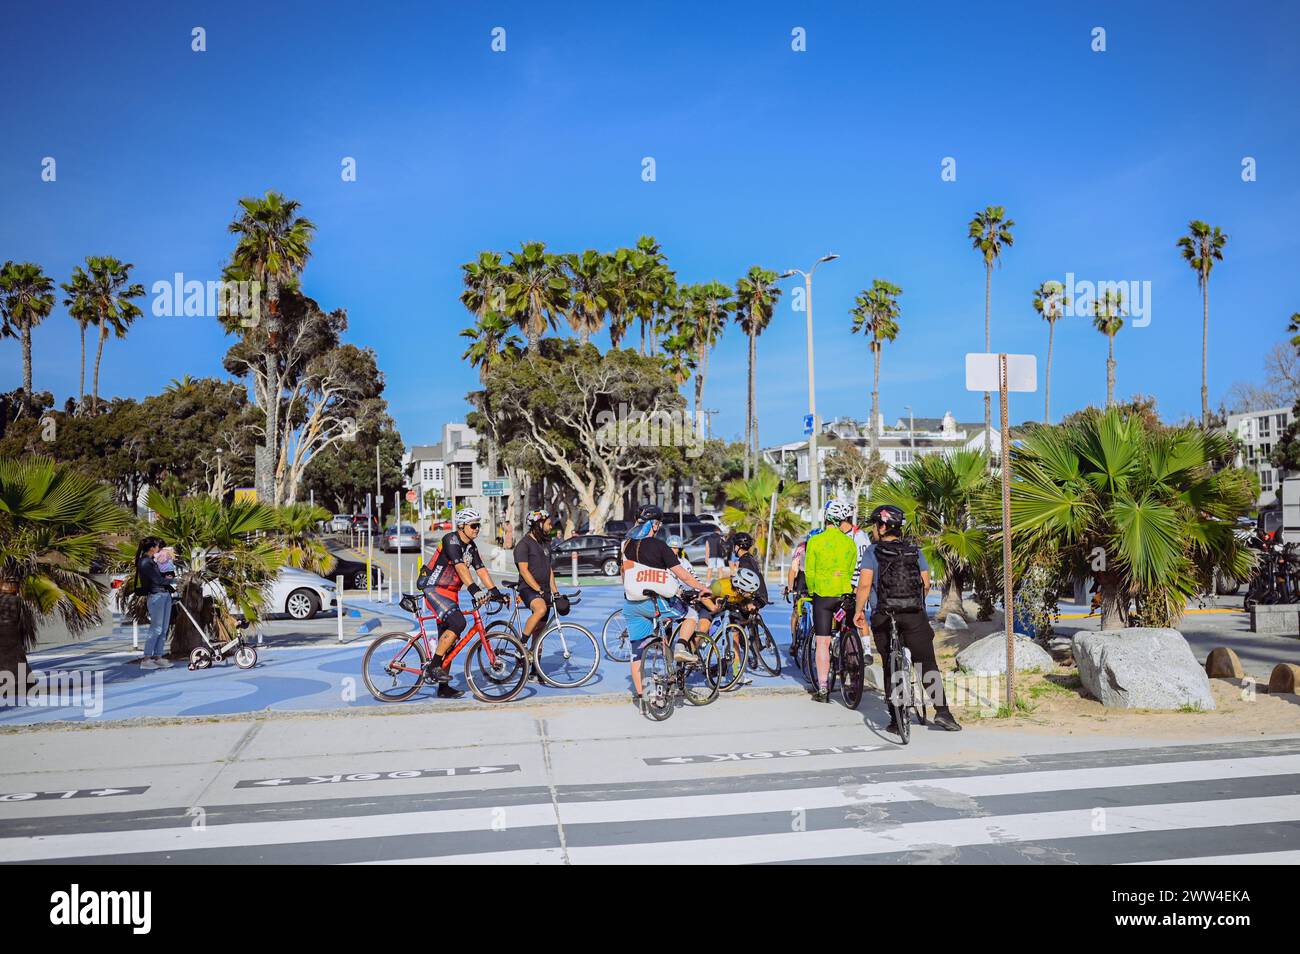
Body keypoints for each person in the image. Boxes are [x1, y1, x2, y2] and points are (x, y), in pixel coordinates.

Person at [852, 504, 961, 733]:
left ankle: (896, 720)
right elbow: (926, 583)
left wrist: (858, 611)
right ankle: (944, 714)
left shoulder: (873, 552)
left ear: (882, 527)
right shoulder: (914, 550)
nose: (873, 530)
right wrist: (915, 604)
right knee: (927, 663)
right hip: (914, 615)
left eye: (875, 525)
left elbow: (864, 585)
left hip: (884, 615)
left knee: (891, 666)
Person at [621, 505, 712, 705]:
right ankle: (680, 647)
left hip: (631, 603)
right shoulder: (660, 546)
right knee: (690, 615)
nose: (659, 527)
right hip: (656, 602)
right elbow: (683, 574)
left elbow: (623, 573)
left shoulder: (625, 544)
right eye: (659, 524)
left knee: (637, 651)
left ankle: (643, 696)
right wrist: (702, 587)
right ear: (654, 525)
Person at [420, 507, 506, 698]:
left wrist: (495, 591)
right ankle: (434, 666)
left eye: (478, 525)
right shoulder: (450, 540)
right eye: (473, 526)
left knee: (450, 640)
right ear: (461, 526)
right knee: (459, 623)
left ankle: (443, 688)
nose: (477, 529)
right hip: (434, 589)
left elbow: (481, 569)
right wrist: (474, 589)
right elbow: (460, 567)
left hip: (451, 593)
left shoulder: (471, 546)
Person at [804, 499, 859, 702]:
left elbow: (809, 572)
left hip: (823, 597)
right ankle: (853, 675)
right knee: (848, 632)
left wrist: (812, 591)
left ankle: (823, 689)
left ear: (826, 519)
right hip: (844, 596)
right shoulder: (849, 543)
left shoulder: (815, 541)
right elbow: (853, 570)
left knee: (822, 642)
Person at [514, 509, 558, 651]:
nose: (551, 527)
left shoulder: (544, 544)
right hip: (528, 589)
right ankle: (521, 644)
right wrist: (538, 589)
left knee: (540, 632)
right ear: (539, 524)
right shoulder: (523, 545)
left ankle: (535, 668)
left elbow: (548, 569)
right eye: (548, 524)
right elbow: (524, 571)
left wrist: (556, 593)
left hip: (544, 589)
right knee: (540, 609)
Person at [135, 536, 174, 670]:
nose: (160, 549)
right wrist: (169, 579)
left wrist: (167, 577)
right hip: (156, 596)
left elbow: (160, 577)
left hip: (164, 595)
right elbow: (157, 580)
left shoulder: (152, 561)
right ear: (152, 548)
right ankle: (146, 659)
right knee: (156, 628)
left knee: (163, 629)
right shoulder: (145, 562)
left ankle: (158, 657)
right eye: (158, 546)